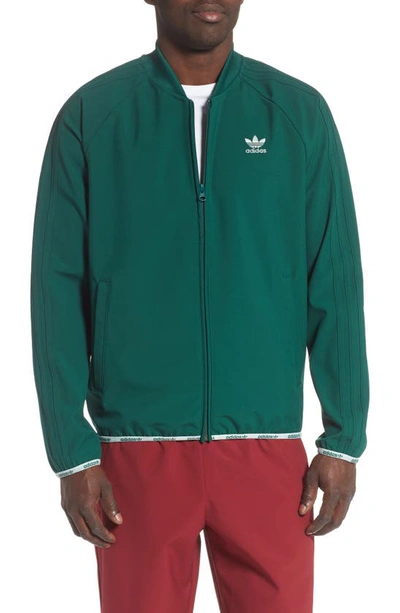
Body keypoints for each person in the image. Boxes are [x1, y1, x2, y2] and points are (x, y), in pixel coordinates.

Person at [30, 1, 370, 611]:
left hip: (267, 453)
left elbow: (336, 281)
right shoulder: (93, 116)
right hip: (135, 454)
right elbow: (55, 290)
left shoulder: (298, 115)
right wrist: (70, 452)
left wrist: (343, 438)